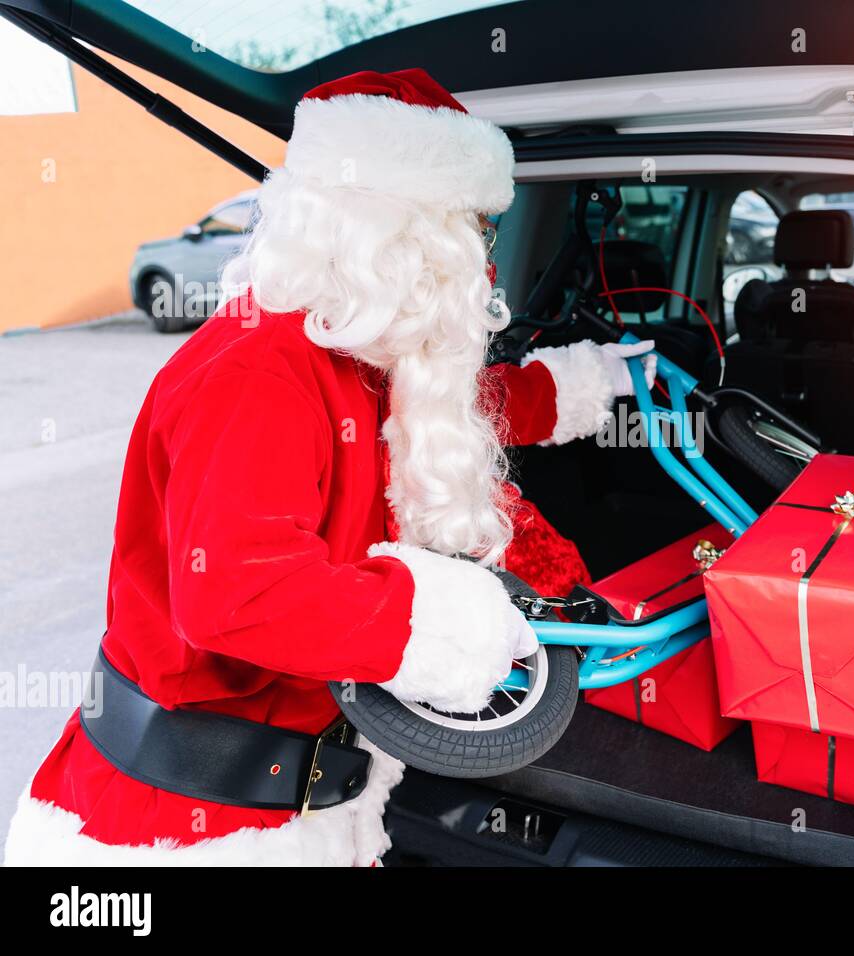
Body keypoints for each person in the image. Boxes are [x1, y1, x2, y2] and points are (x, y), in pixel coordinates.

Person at [4, 69, 653, 866]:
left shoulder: (365, 346)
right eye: (468, 232)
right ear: (396, 231)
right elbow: (240, 591)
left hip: (315, 806)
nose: (483, 265)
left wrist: (598, 384)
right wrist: (443, 626)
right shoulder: (258, 373)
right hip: (188, 834)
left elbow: (459, 407)